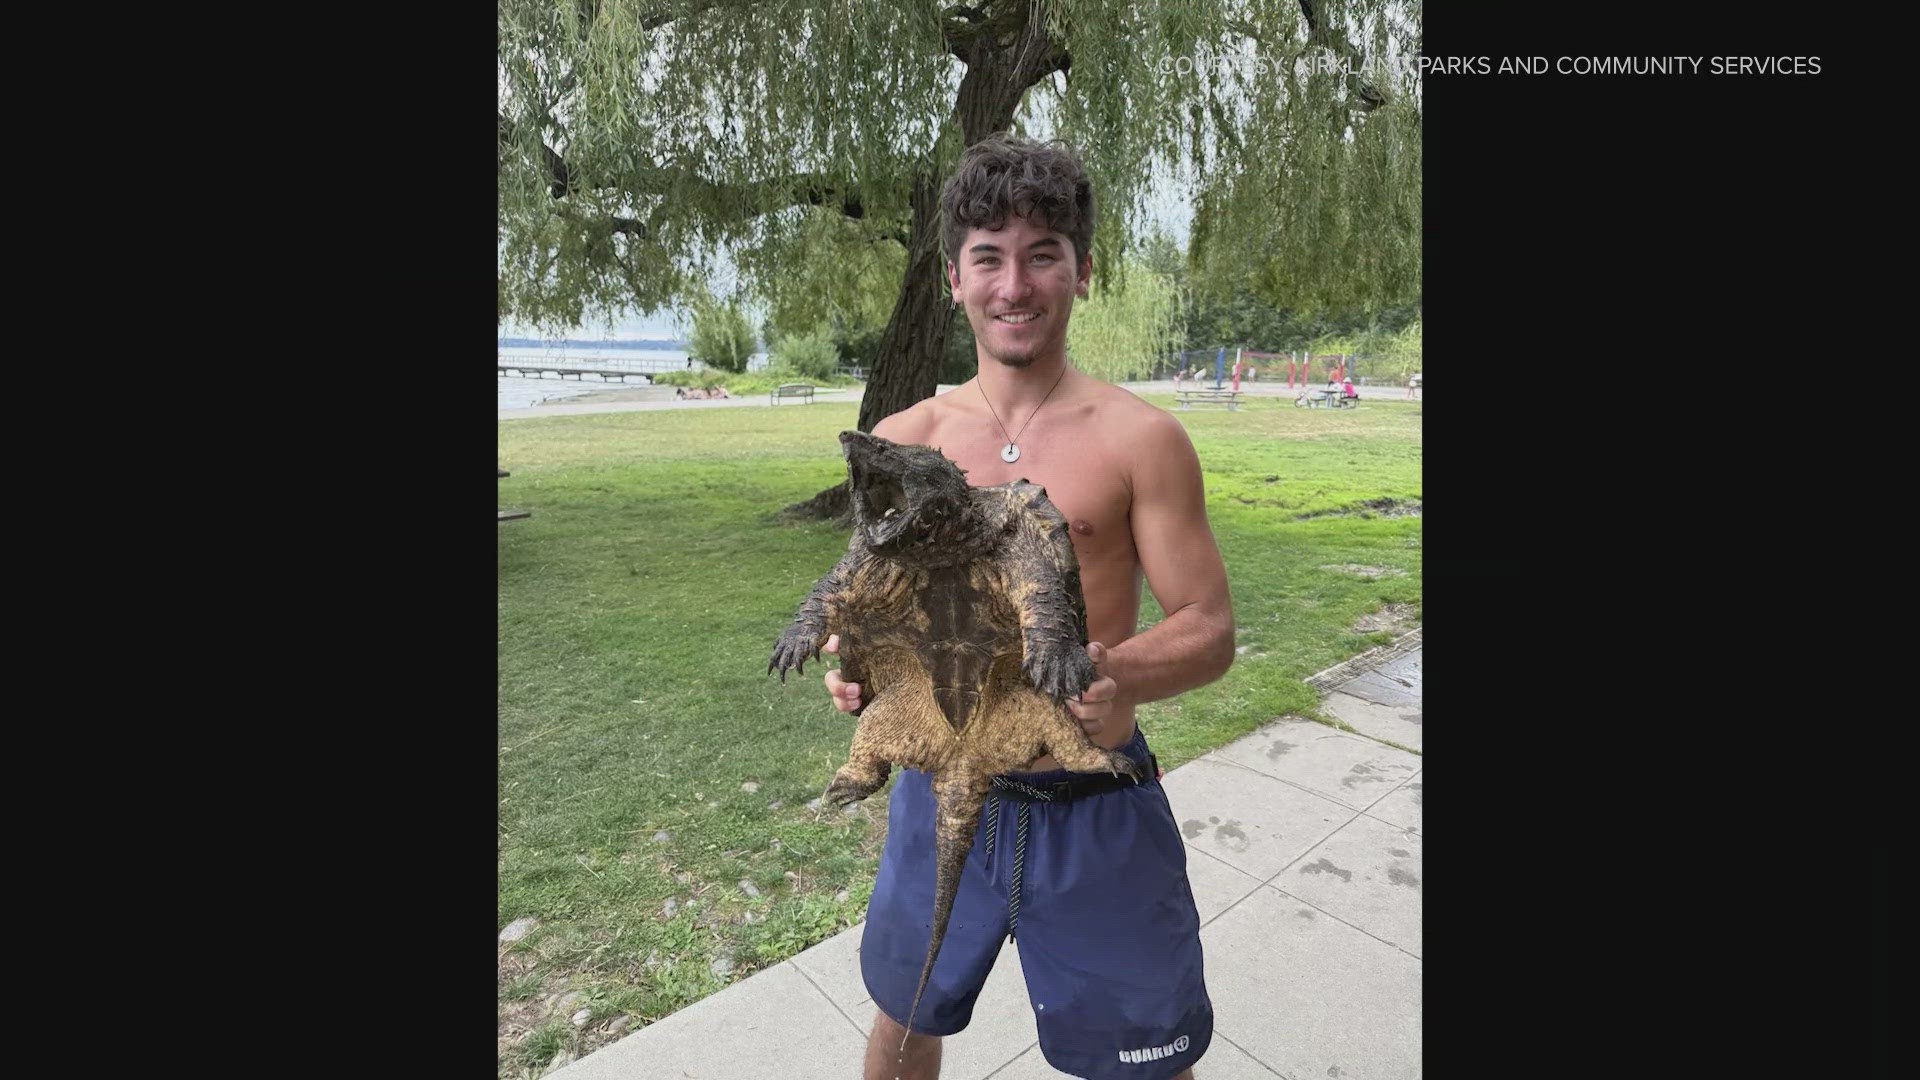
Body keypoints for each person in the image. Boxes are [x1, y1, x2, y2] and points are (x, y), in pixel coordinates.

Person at [819, 133, 1233, 1080]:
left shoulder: (1141, 439)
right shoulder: (907, 437)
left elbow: (1209, 628)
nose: (1015, 284)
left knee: (1148, 1060)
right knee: (903, 1024)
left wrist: (1116, 671)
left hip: (1093, 805)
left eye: (1043, 254)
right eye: (989, 257)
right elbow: (867, 606)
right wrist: (857, 673)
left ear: (1082, 272)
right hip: (937, 797)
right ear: (954, 279)